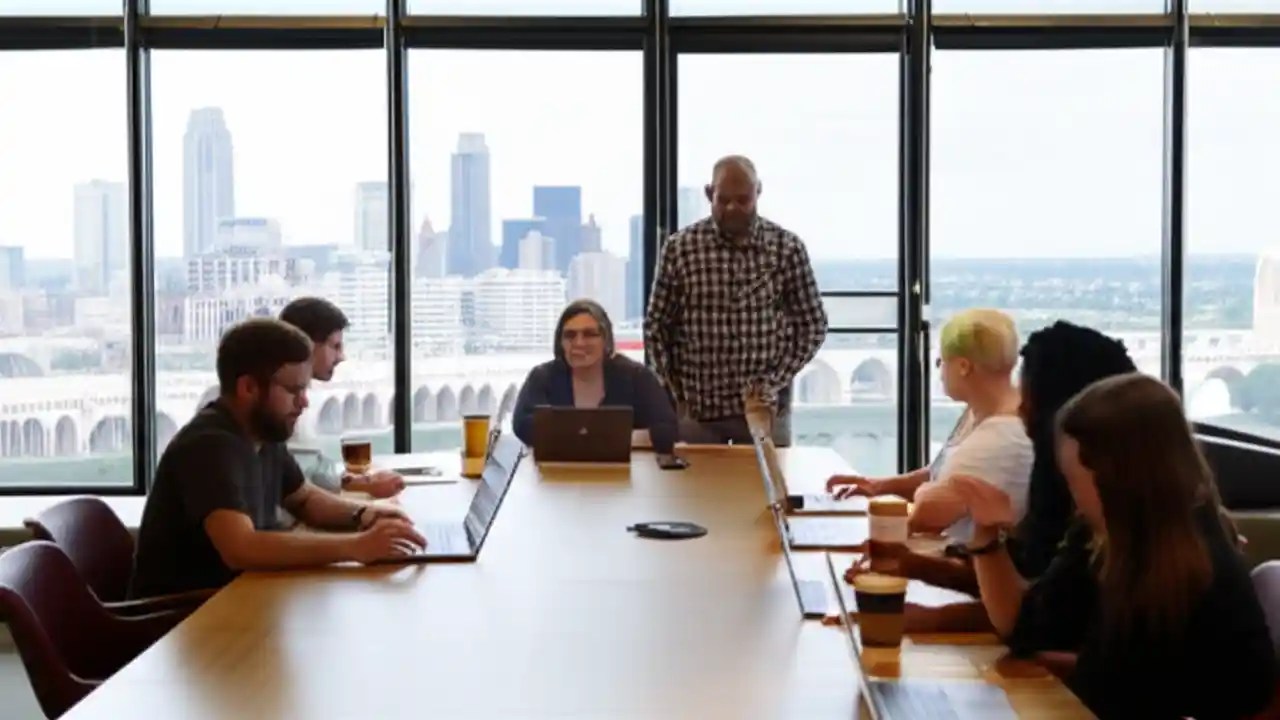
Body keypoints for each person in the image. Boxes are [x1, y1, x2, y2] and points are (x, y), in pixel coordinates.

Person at [952, 373, 1276, 719]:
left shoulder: (1186, 572)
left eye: (1077, 482)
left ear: (1120, 480)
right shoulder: (1113, 537)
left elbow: (1118, 693)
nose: (1075, 499)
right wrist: (985, 535)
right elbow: (1029, 626)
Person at [831, 320, 1138, 594]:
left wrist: (921, 598)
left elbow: (1034, 618)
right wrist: (910, 562)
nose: (1021, 409)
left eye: (1029, 397)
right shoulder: (1077, 511)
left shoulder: (1009, 439)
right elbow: (1032, 600)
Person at [130, 318, 426, 598]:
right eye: (293, 390)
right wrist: (356, 547)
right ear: (248, 388)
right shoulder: (209, 445)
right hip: (180, 621)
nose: (304, 402)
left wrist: (364, 514)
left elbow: (305, 499)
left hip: (239, 599)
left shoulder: (263, 432)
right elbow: (241, 548)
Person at [826, 310, 1033, 592]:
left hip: (972, 578)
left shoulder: (1000, 436)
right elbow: (938, 475)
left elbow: (928, 514)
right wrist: (880, 486)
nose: (940, 372)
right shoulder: (982, 411)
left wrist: (923, 497)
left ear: (963, 366)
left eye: (941, 362)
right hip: (956, 560)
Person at [645, 155, 828, 447]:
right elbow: (656, 325)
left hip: (764, 412)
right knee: (697, 492)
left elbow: (813, 324)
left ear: (758, 193)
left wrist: (774, 381)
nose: (733, 208)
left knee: (766, 492)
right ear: (709, 194)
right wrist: (674, 391)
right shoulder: (680, 249)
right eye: (723, 200)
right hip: (699, 414)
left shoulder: (785, 248)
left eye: (743, 200)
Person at [513, 299, 683, 467]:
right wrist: (605, 439)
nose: (579, 343)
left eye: (589, 334)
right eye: (570, 335)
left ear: (606, 340)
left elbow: (667, 429)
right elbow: (522, 426)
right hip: (558, 476)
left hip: (623, 476)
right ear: (560, 342)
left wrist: (578, 438)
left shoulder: (636, 376)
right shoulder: (542, 377)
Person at [279, 296, 404, 499]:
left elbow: (308, 470)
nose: (342, 356)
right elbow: (304, 477)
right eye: (335, 346)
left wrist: (360, 483)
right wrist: (363, 485)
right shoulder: (280, 406)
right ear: (307, 345)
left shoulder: (297, 400)